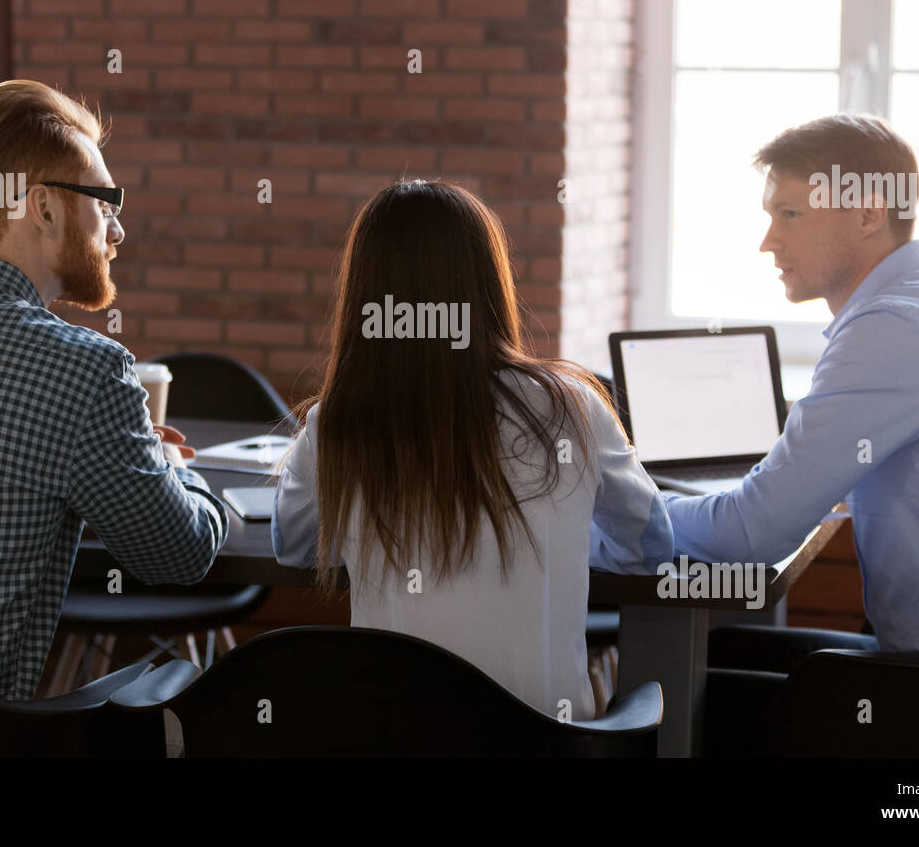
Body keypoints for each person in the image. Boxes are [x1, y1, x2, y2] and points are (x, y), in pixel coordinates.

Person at [665, 114, 919, 749]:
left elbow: (753, 533)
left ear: (867, 211)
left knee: (677, 698)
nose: (768, 241)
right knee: (730, 648)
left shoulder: (893, 328)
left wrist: (612, 511)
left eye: (790, 214)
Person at [272, 180, 673, 722]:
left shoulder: (337, 422)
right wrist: (565, 538)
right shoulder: (573, 406)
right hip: (549, 743)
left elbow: (292, 547)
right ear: (487, 281)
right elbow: (651, 545)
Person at [0, 79, 227, 700]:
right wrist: (174, 467)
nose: (115, 232)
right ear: (43, 208)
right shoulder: (84, 371)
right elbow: (178, 555)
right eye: (105, 202)